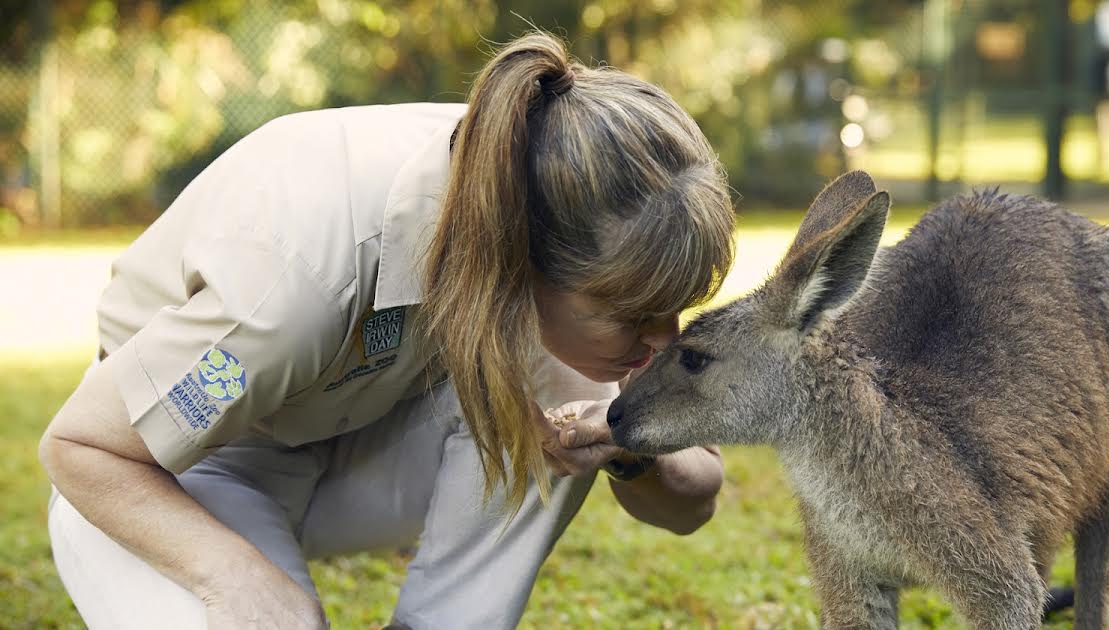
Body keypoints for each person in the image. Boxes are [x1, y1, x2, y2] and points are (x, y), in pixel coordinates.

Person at [38, 31, 735, 629]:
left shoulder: (540, 183)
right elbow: (81, 448)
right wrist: (236, 577)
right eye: (636, 315)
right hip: (188, 466)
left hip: (363, 428)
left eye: (671, 311)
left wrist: (631, 448)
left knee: (578, 375)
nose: (662, 341)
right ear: (526, 259)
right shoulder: (293, 278)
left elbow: (692, 501)